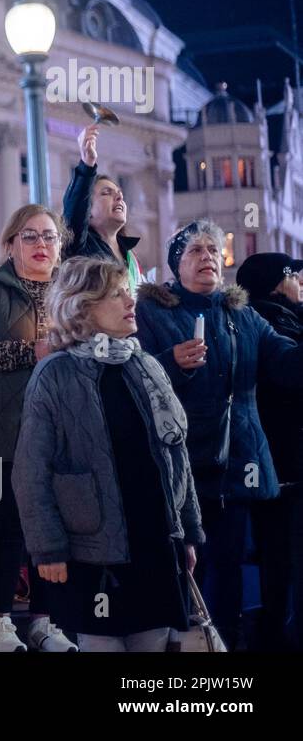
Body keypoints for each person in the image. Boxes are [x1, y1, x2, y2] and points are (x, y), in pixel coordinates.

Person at [16, 256, 204, 652]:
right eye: (116, 294)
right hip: (93, 552)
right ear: (83, 307)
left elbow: (177, 455)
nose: (129, 301)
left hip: (154, 541)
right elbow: (32, 470)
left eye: (128, 292)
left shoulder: (147, 365)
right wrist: (47, 548)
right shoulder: (55, 374)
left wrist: (187, 534)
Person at [135, 220, 303, 649]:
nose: (207, 256)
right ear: (176, 265)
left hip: (233, 463)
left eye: (212, 250)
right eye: (194, 250)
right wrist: (171, 362)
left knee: (226, 571)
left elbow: (286, 366)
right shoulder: (151, 312)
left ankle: (222, 650)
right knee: (178, 570)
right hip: (176, 466)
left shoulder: (243, 315)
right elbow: (131, 379)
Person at [0, 204, 77, 651]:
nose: (41, 244)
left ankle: (47, 620)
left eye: (49, 237)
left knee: (54, 527)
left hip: (60, 431)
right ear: (10, 244)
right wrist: (34, 351)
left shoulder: (70, 295)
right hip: (1, 429)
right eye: (30, 236)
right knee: (9, 524)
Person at [236, 252, 303, 649]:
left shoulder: (286, 319)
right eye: (295, 275)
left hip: (276, 464)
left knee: (278, 558)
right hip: (283, 464)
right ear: (279, 282)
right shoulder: (268, 321)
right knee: (282, 559)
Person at [63, 124, 142, 291]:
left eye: (120, 193)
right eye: (107, 193)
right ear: (88, 211)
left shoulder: (131, 257)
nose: (119, 197)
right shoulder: (80, 246)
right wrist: (87, 164)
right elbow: (74, 211)